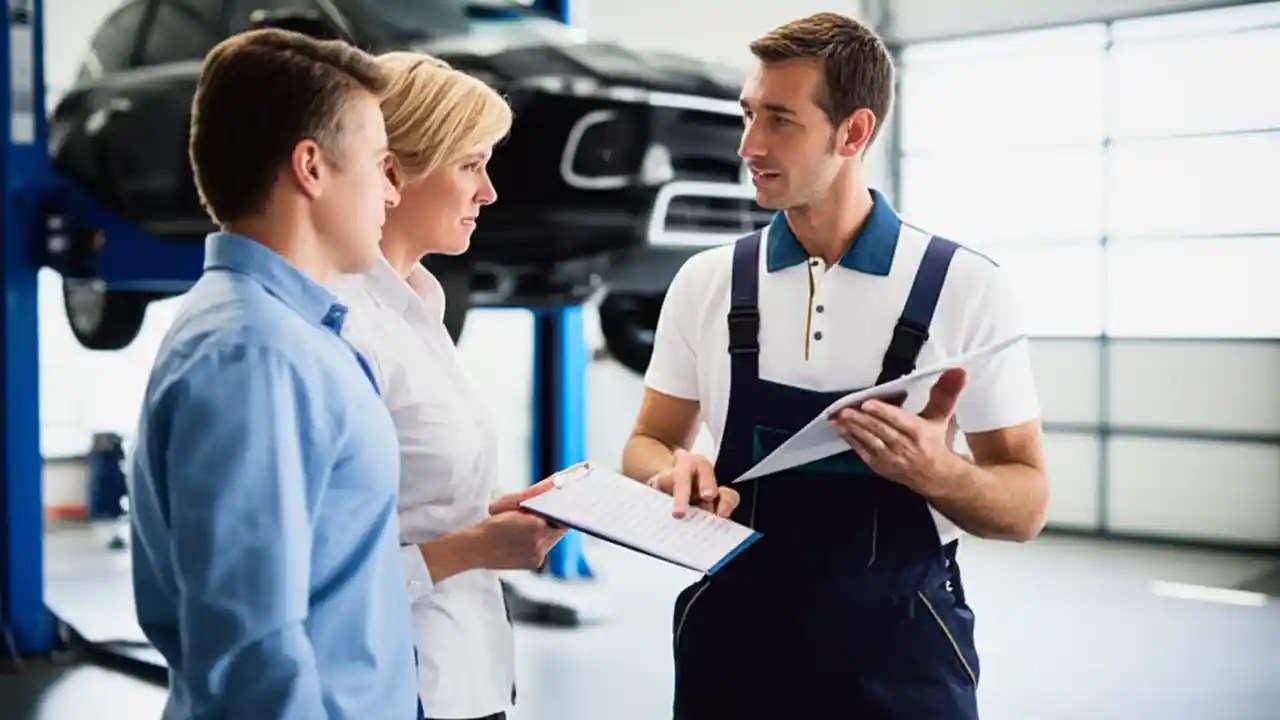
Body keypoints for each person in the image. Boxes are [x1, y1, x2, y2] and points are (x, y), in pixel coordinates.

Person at [622, 12, 1049, 719]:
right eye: (748, 114)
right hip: (732, 649)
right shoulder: (708, 282)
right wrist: (671, 471)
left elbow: (1027, 506)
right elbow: (647, 442)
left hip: (904, 657)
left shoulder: (967, 287)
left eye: (780, 121)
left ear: (854, 132)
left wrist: (939, 473)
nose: (748, 145)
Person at [126, 29, 419, 719]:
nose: (392, 192)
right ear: (311, 167)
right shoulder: (254, 354)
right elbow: (250, 648)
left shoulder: (292, 334)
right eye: (380, 164)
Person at [328, 52, 566, 720]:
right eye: (470, 165)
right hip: (399, 686)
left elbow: (410, 497)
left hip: (466, 677)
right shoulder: (345, 327)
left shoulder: (420, 306)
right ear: (393, 173)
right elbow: (319, 570)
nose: (487, 191)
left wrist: (488, 513)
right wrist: (475, 548)